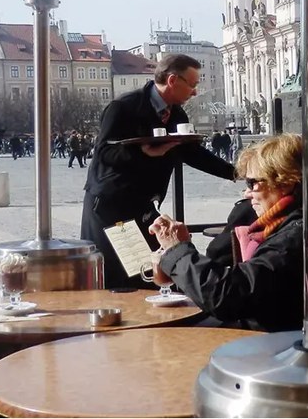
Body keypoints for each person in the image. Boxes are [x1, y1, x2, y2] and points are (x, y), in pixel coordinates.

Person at [148, 134, 308, 332]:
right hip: (280, 335)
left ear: (286, 183)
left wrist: (177, 251)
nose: (247, 193)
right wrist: (181, 254)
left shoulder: (301, 236)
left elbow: (227, 297)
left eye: (253, 183)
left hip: (284, 347)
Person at [81, 54, 236, 288]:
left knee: (152, 271)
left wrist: (235, 172)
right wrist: (144, 153)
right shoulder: (123, 108)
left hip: (142, 203)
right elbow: (103, 154)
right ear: (173, 80)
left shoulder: (176, 114)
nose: (194, 92)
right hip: (110, 206)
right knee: (121, 277)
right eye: (192, 84)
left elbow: (192, 153)